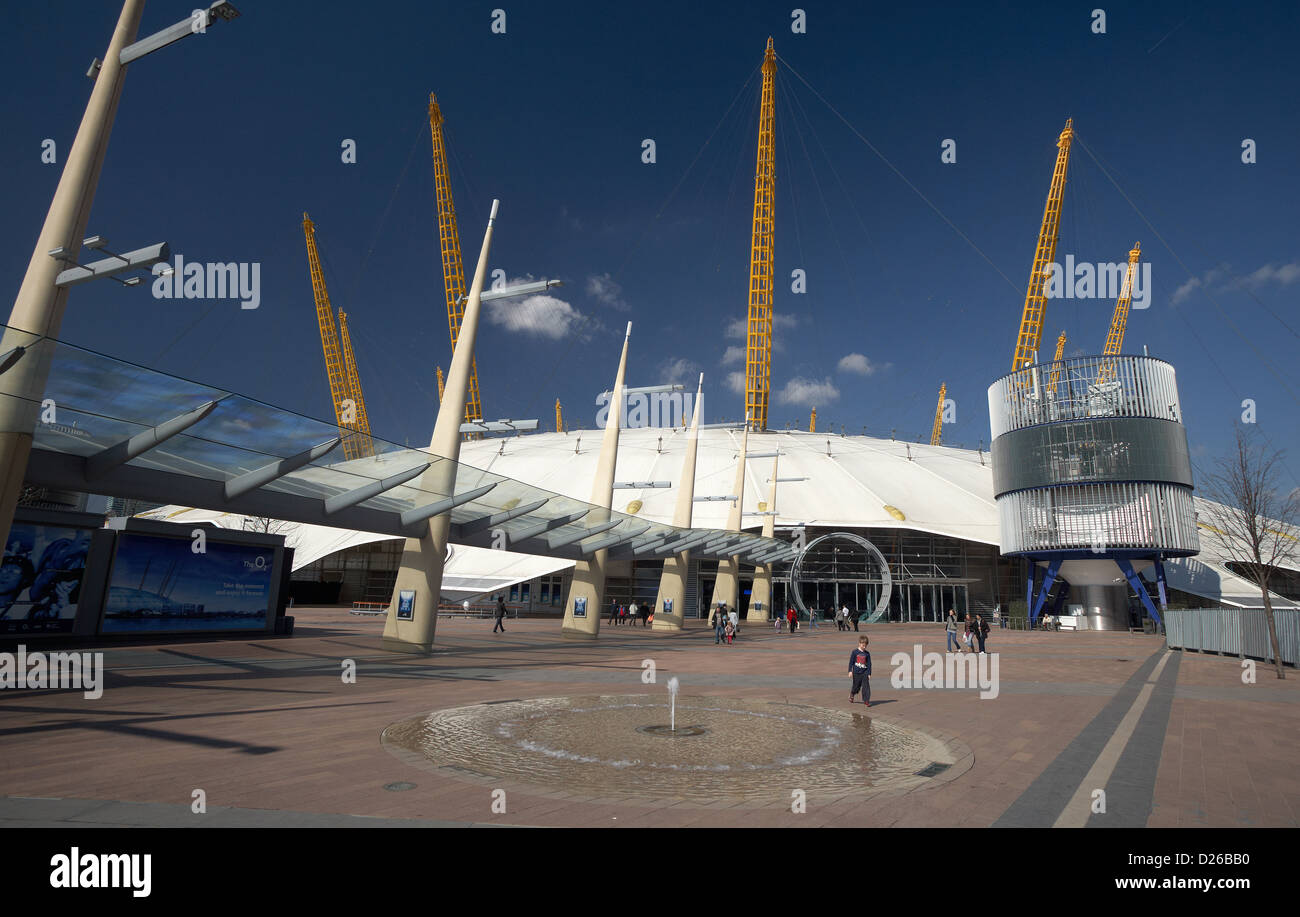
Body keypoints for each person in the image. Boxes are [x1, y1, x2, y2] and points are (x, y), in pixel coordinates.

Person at [848, 635, 872, 707]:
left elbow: (869, 664)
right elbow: (851, 662)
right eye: (863, 645)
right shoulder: (855, 652)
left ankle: (866, 700)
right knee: (856, 687)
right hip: (856, 673)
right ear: (859, 643)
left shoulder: (867, 654)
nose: (864, 647)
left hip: (864, 673)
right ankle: (852, 694)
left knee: (866, 687)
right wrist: (850, 671)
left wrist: (869, 673)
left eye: (865, 646)